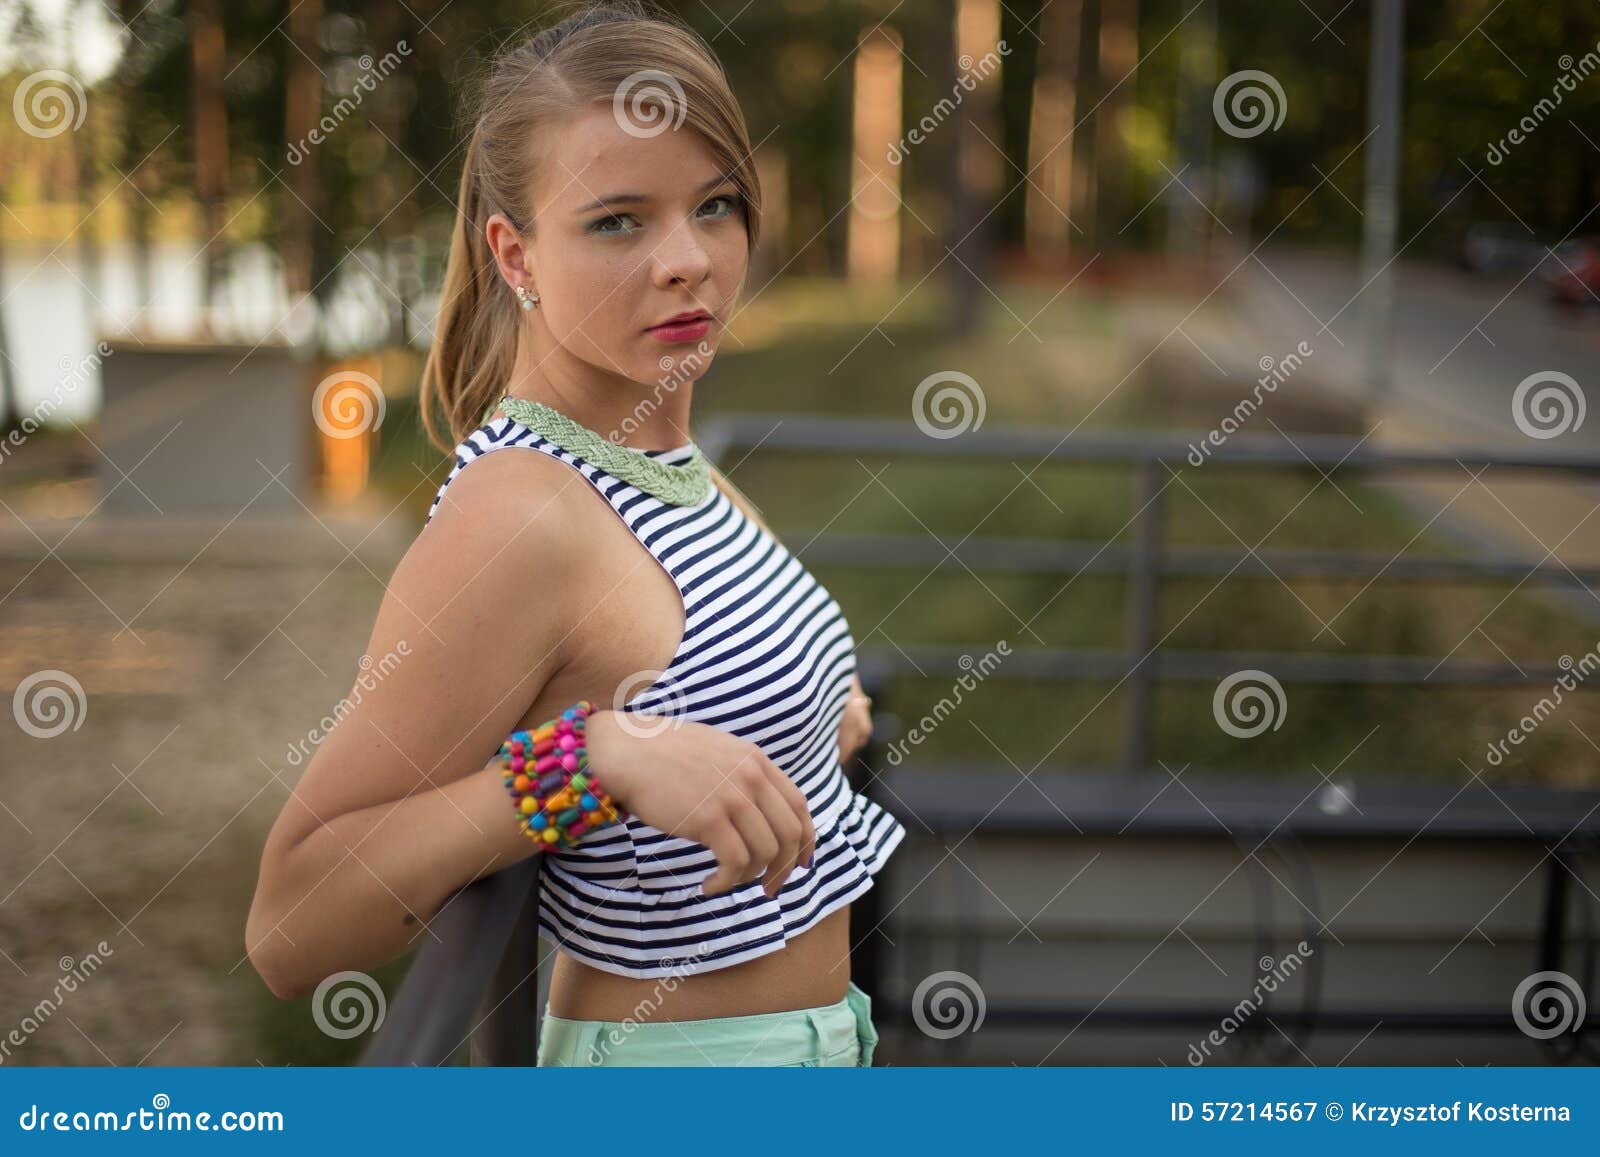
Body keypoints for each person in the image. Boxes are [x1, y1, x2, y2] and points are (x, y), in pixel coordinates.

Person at [245, 0, 907, 1067]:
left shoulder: (667, 458)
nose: (687, 258)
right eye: (618, 221)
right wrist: (593, 758)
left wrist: (811, 705)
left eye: (717, 205)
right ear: (516, 255)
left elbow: (709, 684)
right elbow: (293, 921)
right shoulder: (521, 512)